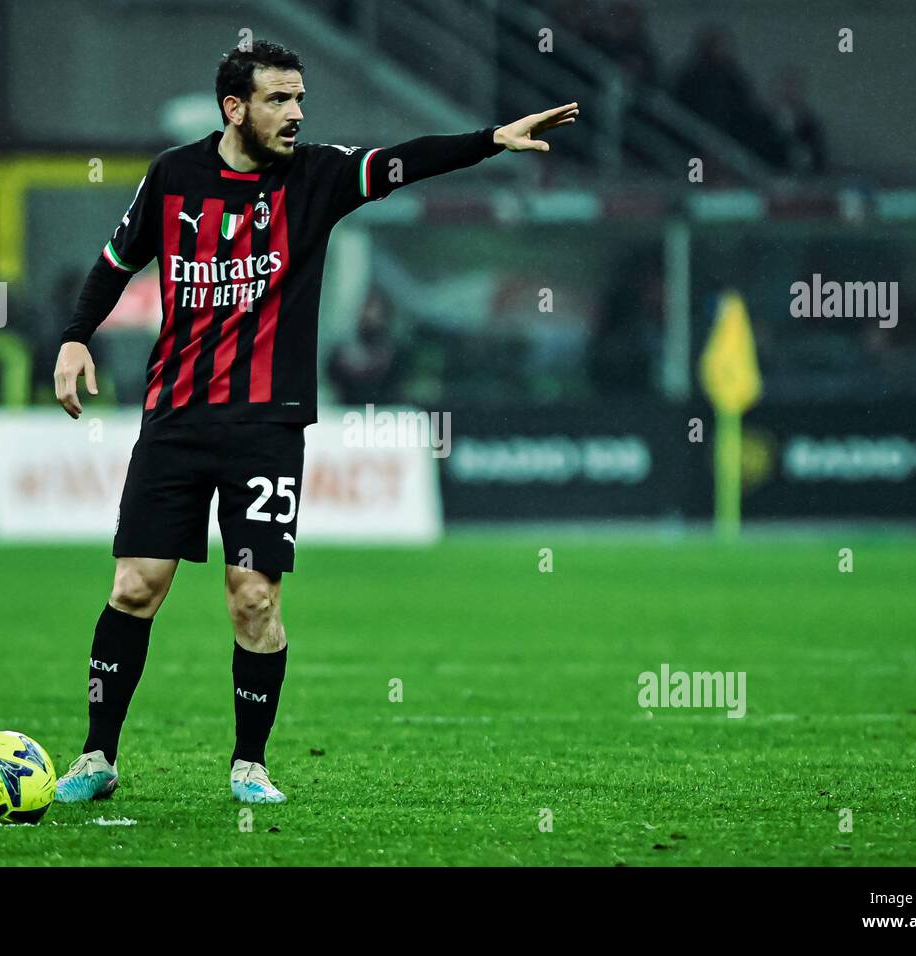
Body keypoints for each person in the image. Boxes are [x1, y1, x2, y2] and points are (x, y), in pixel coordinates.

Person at [51, 40, 578, 805]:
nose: (296, 114)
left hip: (267, 424)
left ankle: (250, 763)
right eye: (279, 100)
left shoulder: (320, 177)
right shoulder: (174, 176)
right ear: (235, 108)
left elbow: (405, 161)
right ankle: (98, 757)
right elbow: (113, 260)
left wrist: (490, 139)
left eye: (301, 99)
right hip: (174, 418)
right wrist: (74, 336)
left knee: (253, 595)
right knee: (136, 586)